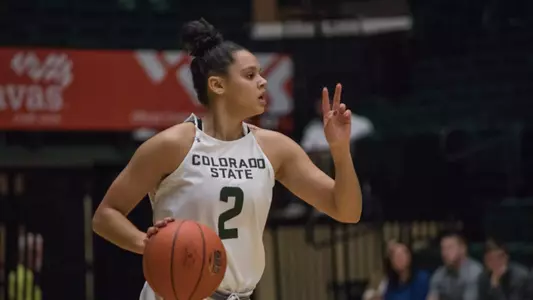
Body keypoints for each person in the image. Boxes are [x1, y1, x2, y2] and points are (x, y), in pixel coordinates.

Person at [92, 18, 363, 300]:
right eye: (249, 75)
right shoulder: (172, 145)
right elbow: (105, 215)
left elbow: (347, 211)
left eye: (260, 74)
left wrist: (340, 152)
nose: (263, 81)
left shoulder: (275, 148)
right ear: (217, 85)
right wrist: (146, 243)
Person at [363, 241, 429, 300]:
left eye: (402, 255)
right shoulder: (389, 282)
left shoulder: (422, 278)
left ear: (409, 257)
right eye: (395, 257)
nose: (399, 259)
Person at [427, 231, 482, 300]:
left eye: (450, 248)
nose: (445, 253)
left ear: (462, 249)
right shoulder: (439, 274)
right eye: (443, 248)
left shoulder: (474, 272)